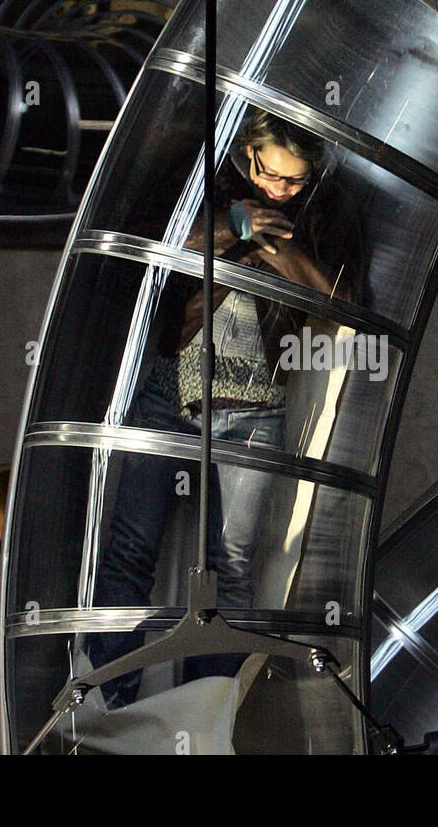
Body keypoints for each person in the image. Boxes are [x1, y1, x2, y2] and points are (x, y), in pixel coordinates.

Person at [87, 108, 364, 707]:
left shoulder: (325, 208)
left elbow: (342, 300)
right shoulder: (210, 184)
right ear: (248, 152)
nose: (280, 190)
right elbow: (163, 247)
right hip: (172, 384)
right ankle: (110, 707)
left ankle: (201, 713)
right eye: (271, 175)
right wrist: (238, 222)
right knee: (131, 548)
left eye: (294, 181)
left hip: (255, 404)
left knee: (233, 567)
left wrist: (265, 242)